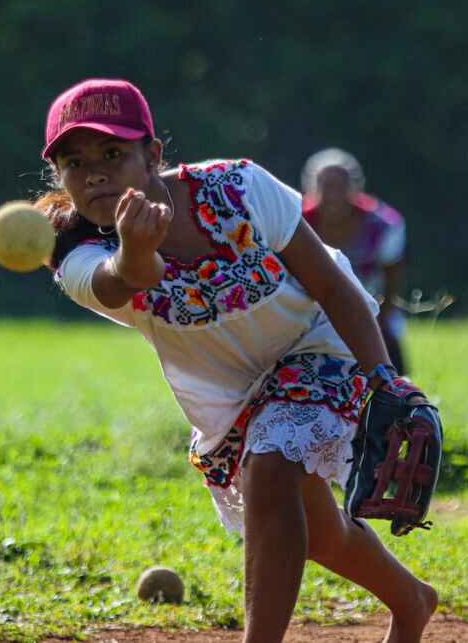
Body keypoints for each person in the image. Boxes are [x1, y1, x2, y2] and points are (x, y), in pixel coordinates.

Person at [32, 78, 437, 643]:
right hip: (233, 394)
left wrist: (384, 379)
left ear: (153, 155)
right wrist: (137, 247)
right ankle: (412, 599)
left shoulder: (237, 186)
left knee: (270, 465)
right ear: (60, 177)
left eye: (113, 153)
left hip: (319, 345)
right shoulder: (75, 251)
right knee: (318, 534)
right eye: (75, 162)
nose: (95, 172)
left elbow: (331, 284)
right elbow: (126, 279)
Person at [300, 149, 409, 375]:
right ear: (312, 188)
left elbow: (393, 273)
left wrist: (381, 322)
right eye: (326, 186)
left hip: (372, 308)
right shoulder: (297, 222)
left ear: (355, 186)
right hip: (312, 312)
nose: (333, 195)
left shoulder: (383, 225)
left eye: (340, 186)